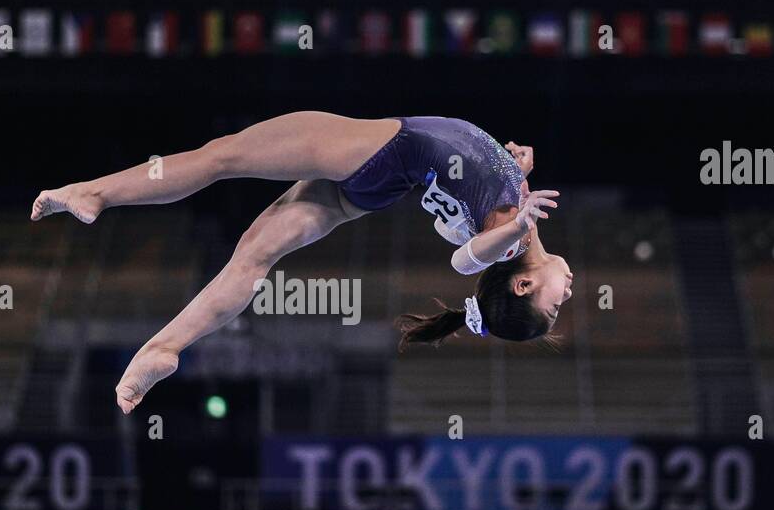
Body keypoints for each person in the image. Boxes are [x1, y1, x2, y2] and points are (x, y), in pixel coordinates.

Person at [30, 112, 573, 414]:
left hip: (381, 150)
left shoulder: (508, 239)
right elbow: (471, 188)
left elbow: (462, 261)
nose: (566, 297)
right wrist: (511, 164)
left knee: (222, 155)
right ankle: (162, 349)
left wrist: (516, 221)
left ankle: (94, 193)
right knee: (255, 255)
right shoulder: (516, 221)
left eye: (552, 307)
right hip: (382, 183)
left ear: (522, 284)